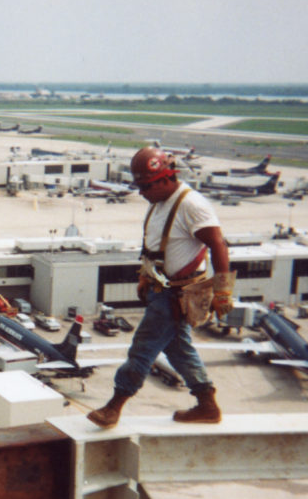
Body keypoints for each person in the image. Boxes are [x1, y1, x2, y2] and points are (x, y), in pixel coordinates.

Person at [87, 147, 233, 428]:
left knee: (142, 349)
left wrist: (223, 291)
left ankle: (114, 406)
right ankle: (207, 405)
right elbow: (155, 246)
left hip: (177, 295)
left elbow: (218, 244)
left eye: (145, 186)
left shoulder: (192, 205)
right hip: (162, 291)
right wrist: (145, 275)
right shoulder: (160, 202)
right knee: (179, 350)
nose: (141, 193)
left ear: (166, 178)